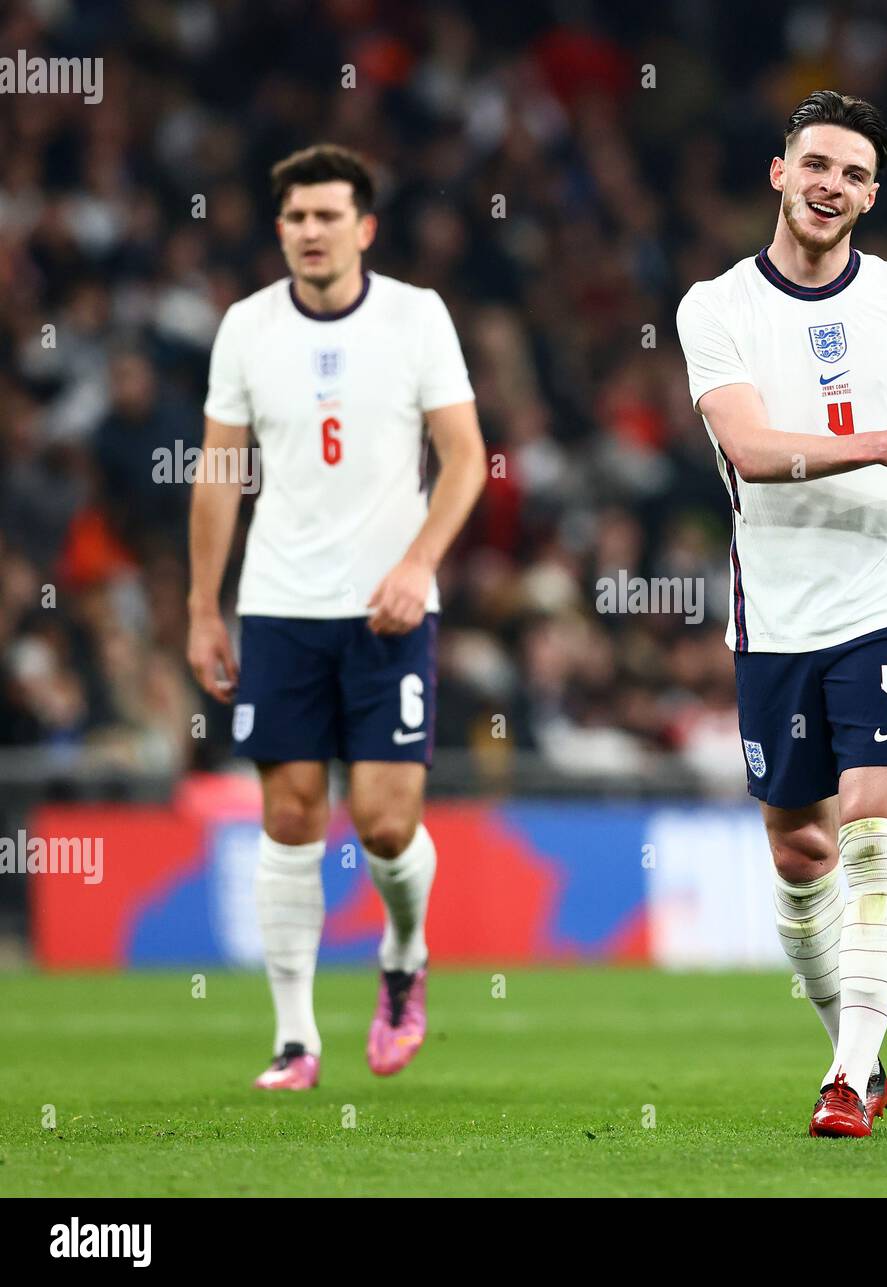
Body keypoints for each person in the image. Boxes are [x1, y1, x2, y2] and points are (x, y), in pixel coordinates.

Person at [676, 91, 887, 1137]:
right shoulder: (717, 306)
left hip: (885, 602)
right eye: (815, 164)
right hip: (774, 615)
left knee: (873, 827)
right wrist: (874, 442)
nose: (831, 185)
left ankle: (845, 1076)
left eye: (853, 174)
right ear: (779, 172)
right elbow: (748, 450)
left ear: (872, 196)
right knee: (800, 853)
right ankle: (850, 1050)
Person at [187, 144, 486, 1090]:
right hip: (279, 605)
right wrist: (204, 605)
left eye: (327, 216)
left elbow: (467, 459)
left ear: (364, 228)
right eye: (295, 218)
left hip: (388, 611)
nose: (310, 232)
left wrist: (417, 564)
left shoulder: (416, 317)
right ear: (279, 229)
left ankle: (403, 955)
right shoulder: (245, 327)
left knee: (387, 824)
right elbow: (219, 473)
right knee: (288, 814)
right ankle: (294, 1038)